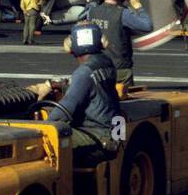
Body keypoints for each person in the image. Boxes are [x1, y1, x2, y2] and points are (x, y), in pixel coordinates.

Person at [30, 23, 121, 160]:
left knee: (41, 144)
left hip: (98, 133)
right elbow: (92, 87)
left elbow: (66, 109)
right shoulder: (105, 62)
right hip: (114, 131)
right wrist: (58, 84)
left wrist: (40, 128)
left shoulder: (84, 72)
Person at [84, 0, 153, 89]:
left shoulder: (92, 12)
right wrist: (137, 5)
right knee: (125, 102)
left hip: (97, 67)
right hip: (119, 69)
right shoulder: (122, 14)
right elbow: (147, 26)